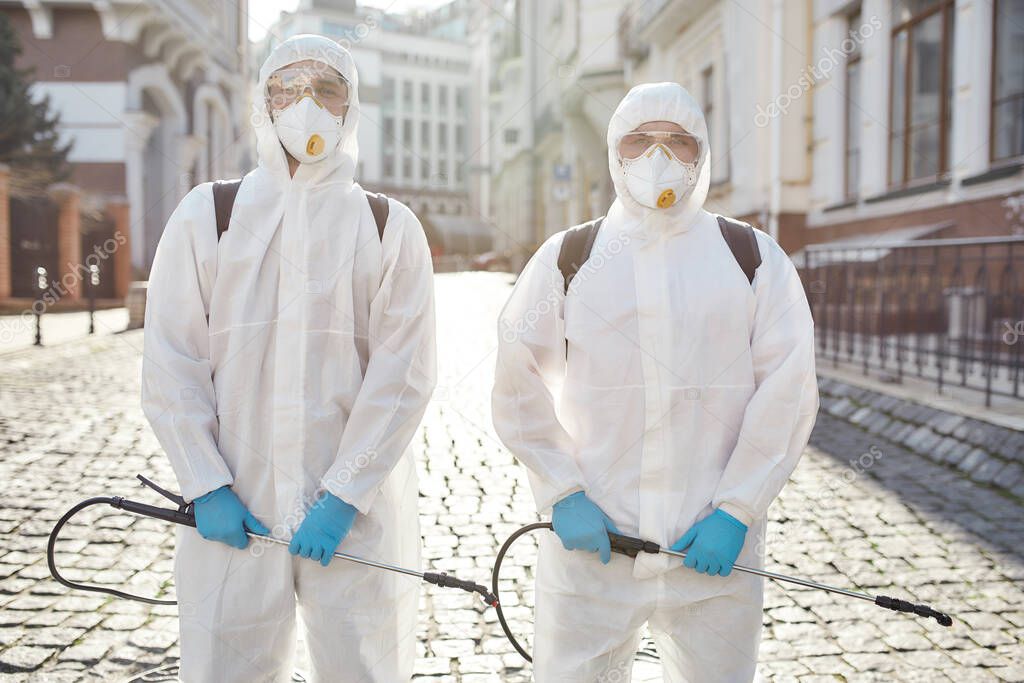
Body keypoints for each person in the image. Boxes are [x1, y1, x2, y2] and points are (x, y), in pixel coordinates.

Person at [492, 82, 818, 682]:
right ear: (615, 151)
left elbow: (788, 387)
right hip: (596, 550)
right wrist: (562, 491)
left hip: (712, 556)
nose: (658, 157)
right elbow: (519, 376)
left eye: (679, 143)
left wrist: (737, 507)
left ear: (703, 154)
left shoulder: (751, 258)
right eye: (640, 141)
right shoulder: (570, 257)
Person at [142, 34, 436, 682]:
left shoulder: (388, 228)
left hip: (351, 524)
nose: (307, 104)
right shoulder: (209, 217)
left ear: (349, 106)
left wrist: (343, 492)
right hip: (236, 516)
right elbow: (171, 359)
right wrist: (207, 482)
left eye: (326, 89)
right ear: (265, 102)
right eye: (289, 88)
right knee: (225, 667)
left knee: (361, 666)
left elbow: (403, 374)